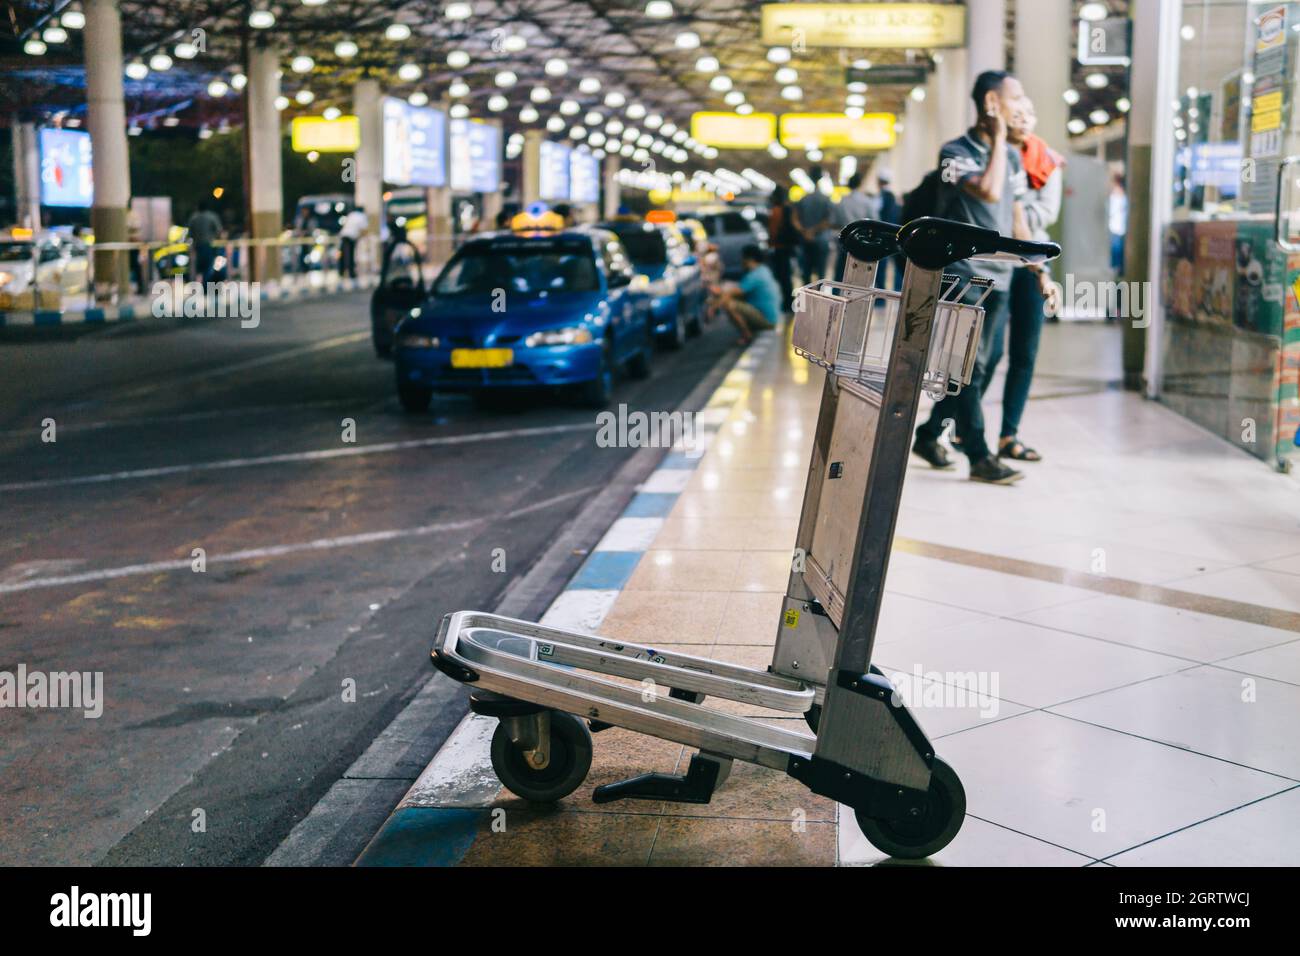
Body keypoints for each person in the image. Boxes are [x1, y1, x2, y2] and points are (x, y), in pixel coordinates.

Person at [910, 70, 1052, 486]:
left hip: (1002, 276)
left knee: (983, 365)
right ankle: (979, 454)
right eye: (1016, 97)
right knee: (967, 364)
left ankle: (929, 434)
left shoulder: (1010, 156)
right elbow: (988, 192)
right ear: (992, 102)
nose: (1021, 103)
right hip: (961, 275)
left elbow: (1015, 215)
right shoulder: (953, 153)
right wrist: (998, 139)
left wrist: (1037, 268)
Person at [991, 98, 1064, 463]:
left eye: (1029, 114)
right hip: (993, 263)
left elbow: (1045, 212)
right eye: (1016, 113)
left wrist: (1007, 211)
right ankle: (947, 427)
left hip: (1031, 265)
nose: (1023, 119)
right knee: (985, 356)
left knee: (1025, 354)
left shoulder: (1047, 161)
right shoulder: (993, 154)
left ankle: (1009, 435)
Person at [711, 244, 780, 346]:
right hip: (772, 318)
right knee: (733, 299)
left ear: (749, 259)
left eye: (743, 257)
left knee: (729, 304)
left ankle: (747, 335)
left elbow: (731, 293)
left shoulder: (755, 275)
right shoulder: (763, 270)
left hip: (767, 320)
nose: (741, 260)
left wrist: (714, 306)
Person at [833, 170, 882, 279]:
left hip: (844, 240)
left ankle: (836, 294)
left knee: (840, 272)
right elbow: (876, 221)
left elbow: (835, 222)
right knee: (859, 273)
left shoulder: (842, 201)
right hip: (862, 242)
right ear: (860, 184)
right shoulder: (867, 201)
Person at [791, 166, 835, 283]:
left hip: (805, 240)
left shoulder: (802, 199)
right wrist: (813, 231)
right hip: (821, 240)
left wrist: (805, 232)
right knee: (821, 274)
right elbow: (828, 221)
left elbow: (795, 220)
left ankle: (806, 299)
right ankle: (820, 299)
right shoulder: (826, 199)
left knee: (806, 273)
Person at [767, 185, 798, 310]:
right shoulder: (789, 209)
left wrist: (770, 243)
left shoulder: (776, 211)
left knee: (782, 275)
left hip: (778, 247)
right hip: (788, 246)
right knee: (787, 275)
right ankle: (788, 300)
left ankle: (786, 302)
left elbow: (773, 231)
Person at [875, 168, 905, 291]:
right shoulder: (892, 197)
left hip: (883, 236)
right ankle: (892, 293)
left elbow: (877, 216)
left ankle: (881, 297)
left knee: (881, 267)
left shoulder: (883, 197)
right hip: (892, 235)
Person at [186, 201, 223, 282]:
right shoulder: (212, 216)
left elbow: (189, 233)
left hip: (197, 246)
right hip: (209, 245)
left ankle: (199, 285)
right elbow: (219, 231)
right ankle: (206, 285)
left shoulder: (193, 218)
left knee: (198, 268)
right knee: (209, 266)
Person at [339, 206, 369, 279]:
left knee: (343, 254)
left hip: (344, 235)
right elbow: (364, 229)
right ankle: (351, 273)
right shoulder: (362, 216)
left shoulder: (351, 214)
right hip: (351, 237)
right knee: (350, 255)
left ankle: (341, 271)